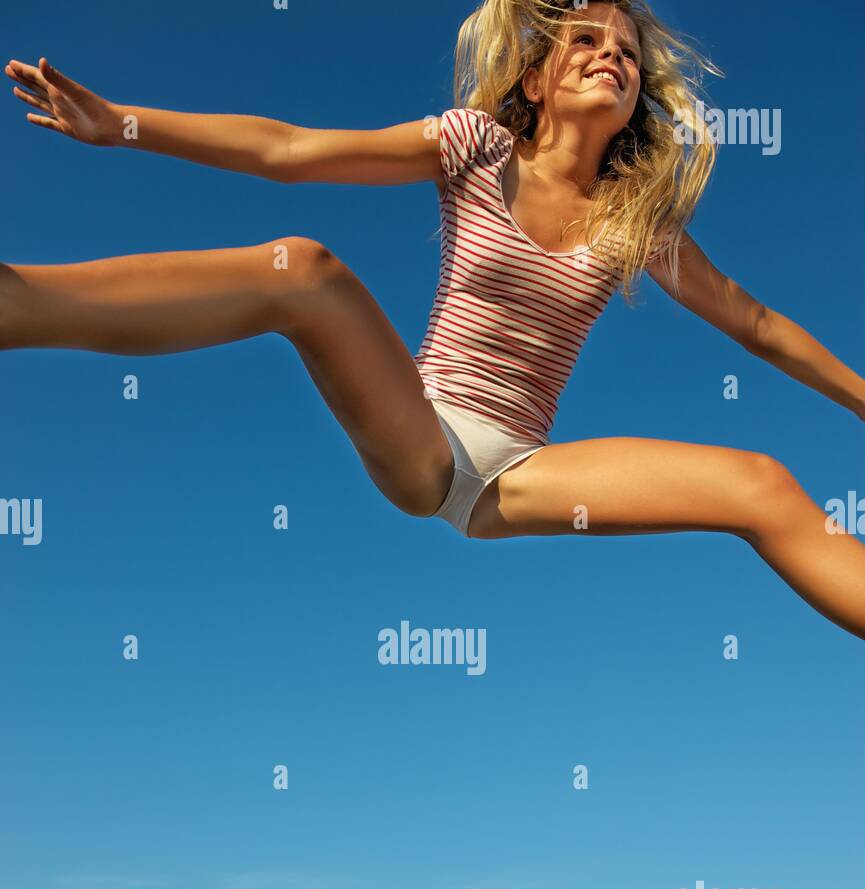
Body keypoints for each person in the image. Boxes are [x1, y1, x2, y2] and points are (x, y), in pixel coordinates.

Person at [5, 0, 865, 635]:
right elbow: (288, 150)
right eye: (588, 41)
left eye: (627, 53)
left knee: (761, 484)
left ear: (638, 94)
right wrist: (121, 124)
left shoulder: (631, 220)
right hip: (424, 434)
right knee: (302, 271)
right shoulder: (473, 145)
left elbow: (756, 324)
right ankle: (21, 303)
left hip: (515, 476)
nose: (612, 57)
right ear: (536, 78)